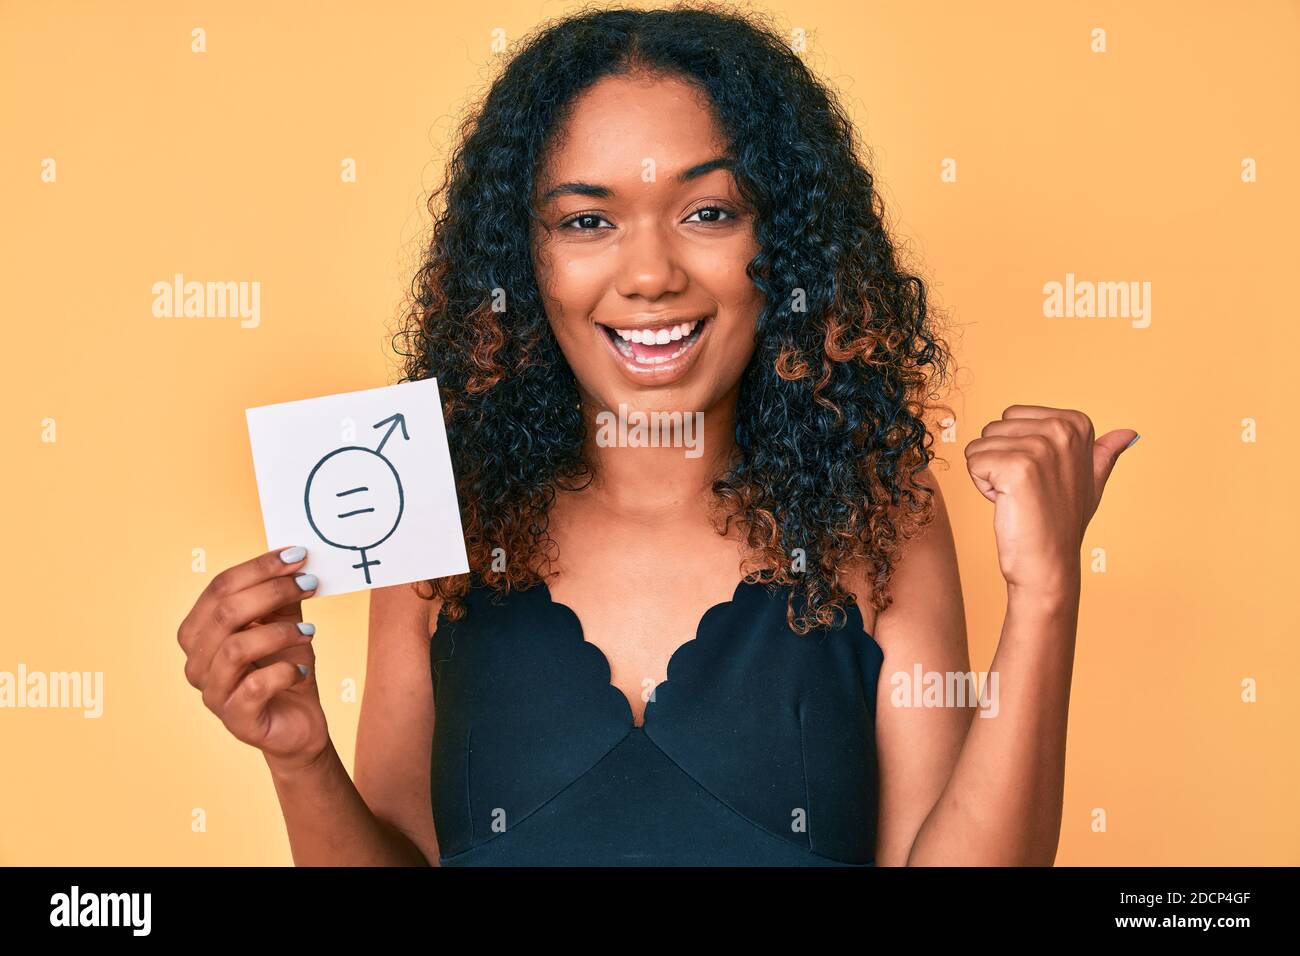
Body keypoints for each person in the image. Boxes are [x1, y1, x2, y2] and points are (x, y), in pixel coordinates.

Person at [177, 5, 1137, 866]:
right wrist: (299, 757)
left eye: (709, 212)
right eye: (588, 219)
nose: (649, 275)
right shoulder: (446, 518)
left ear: (787, 243)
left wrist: (1045, 594)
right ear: (527, 259)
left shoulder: (874, 513)